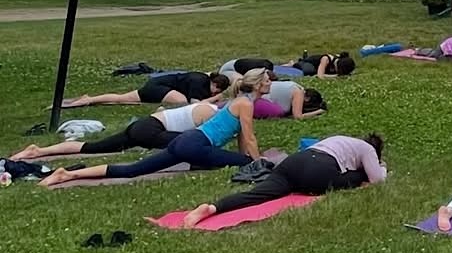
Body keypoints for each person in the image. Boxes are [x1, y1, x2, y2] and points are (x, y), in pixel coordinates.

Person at [39, 74, 268, 187]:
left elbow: (241, 138)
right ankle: (67, 174)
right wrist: (255, 161)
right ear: (258, 85)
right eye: (267, 80)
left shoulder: (240, 102)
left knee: (133, 170)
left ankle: (68, 174)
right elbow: (249, 136)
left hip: (187, 142)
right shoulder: (246, 104)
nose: (271, 83)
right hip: (195, 145)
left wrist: (248, 158)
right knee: (243, 163)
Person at [180, 134, 386, 228]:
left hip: (293, 164)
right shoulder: (367, 150)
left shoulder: (340, 139)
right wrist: (381, 167)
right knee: (357, 177)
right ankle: (211, 209)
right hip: (318, 172)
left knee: (256, 194)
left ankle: (213, 208)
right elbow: (376, 179)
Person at [11, 102, 221, 161]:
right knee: (190, 145)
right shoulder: (210, 112)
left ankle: (38, 151)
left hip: (143, 125)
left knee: (93, 148)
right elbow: (201, 140)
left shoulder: (208, 107)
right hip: (150, 129)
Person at [60, 71, 229, 109]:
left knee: (123, 98)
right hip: (160, 87)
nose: (214, 93)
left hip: (157, 84)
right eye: (216, 90)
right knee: (182, 102)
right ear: (214, 84)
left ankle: (90, 99)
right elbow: (195, 104)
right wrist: (215, 99)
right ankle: (88, 99)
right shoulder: (199, 83)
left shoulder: (203, 79)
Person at [252, 80, 326, 120]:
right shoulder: (299, 93)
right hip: (256, 102)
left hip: (254, 97)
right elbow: (298, 117)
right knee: (278, 112)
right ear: (307, 98)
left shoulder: (295, 86)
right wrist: (319, 111)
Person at [289, 51, 356, 78]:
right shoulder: (326, 59)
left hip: (316, 69)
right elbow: (320, 76)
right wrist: (335, 76)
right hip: (308, 63)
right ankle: (292, 63)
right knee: (309, 71)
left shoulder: (340, 62)